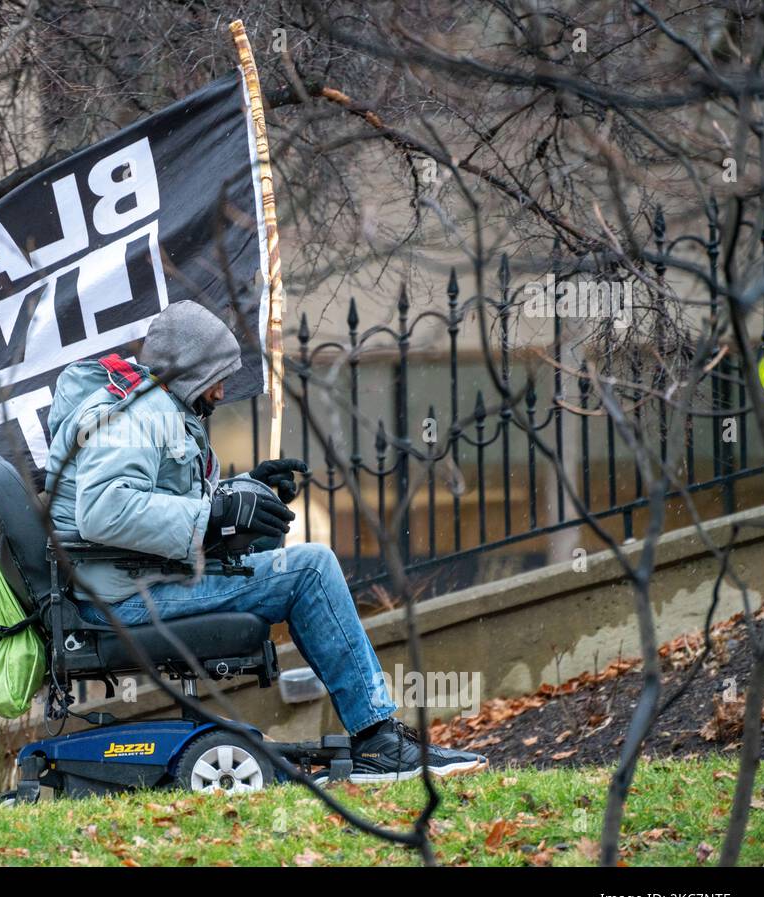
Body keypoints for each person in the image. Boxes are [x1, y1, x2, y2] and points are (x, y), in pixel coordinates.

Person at [44, 300, 488, 782]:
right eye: (215, 377)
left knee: (297, 564)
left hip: (132, 581)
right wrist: (216, 513)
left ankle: (378, 737)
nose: (220, 391)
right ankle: (377, 739)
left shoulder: (154, 405)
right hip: (123, 597)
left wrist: (245, 489)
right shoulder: (138, 413)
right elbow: (105, 510)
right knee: (310, 568)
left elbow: (166, 499)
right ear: (190, 371)